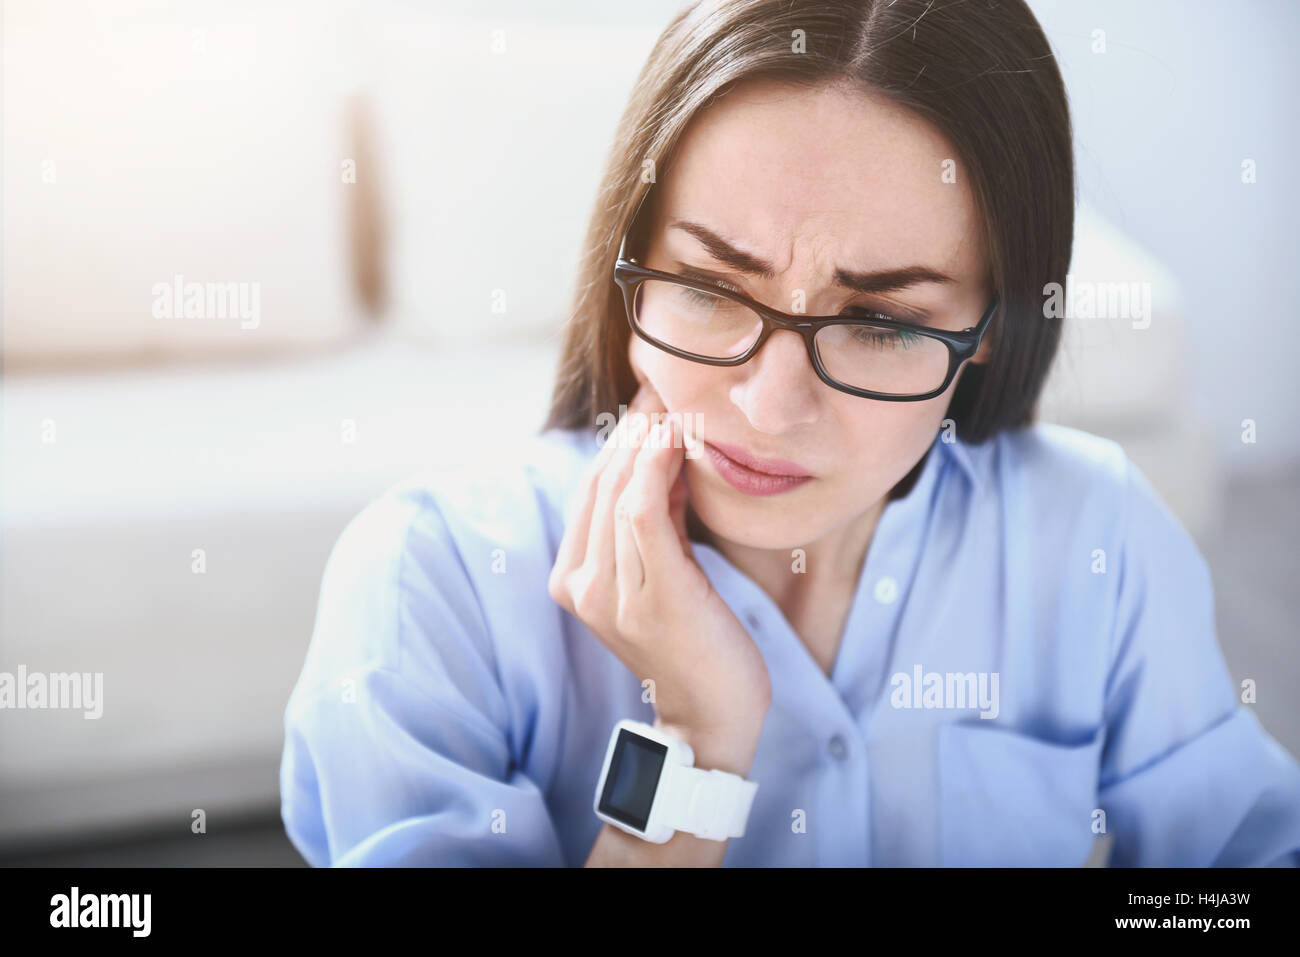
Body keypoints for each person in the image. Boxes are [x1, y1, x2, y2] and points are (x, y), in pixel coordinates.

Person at [280, 0, 1300, 866]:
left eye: (880, 324)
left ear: (993, 329)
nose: (769, 409)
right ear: (624, 259)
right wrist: (689, 747)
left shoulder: (1096, 540)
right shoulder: (430, 586)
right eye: (710, 288)